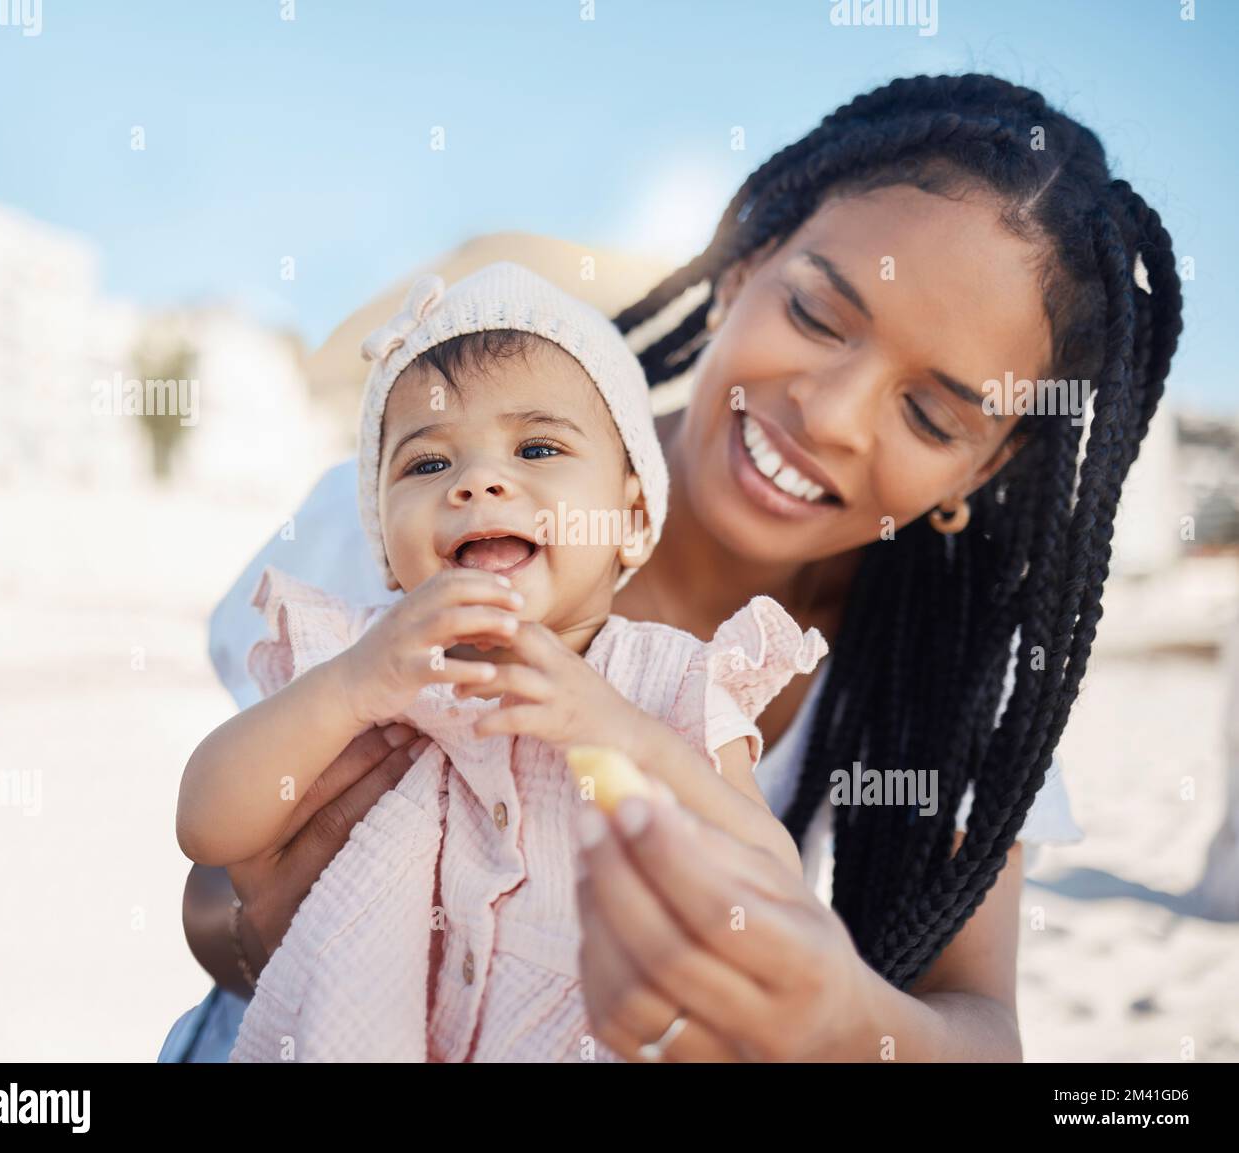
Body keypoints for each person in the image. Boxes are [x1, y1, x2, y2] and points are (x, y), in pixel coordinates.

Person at [159, 72, 1182, 1062]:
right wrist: (260, 926)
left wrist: (837, 1025)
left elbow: (978, 1031)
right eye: (817, 317)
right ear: (742, 264)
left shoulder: (952, 675)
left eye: (928, 414)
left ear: (986, 463)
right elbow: (218, 882)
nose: (827, 415)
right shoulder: (412, 516)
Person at [177, 262, 824, 1061]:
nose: (479, 481)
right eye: (426, 463)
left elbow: (772, 879)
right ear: (382, 538)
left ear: (632, 517)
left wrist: (621, 732)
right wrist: (348, 689)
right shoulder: (361, 658)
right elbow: (206, 823)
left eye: (538, 446)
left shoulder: (670, 684)